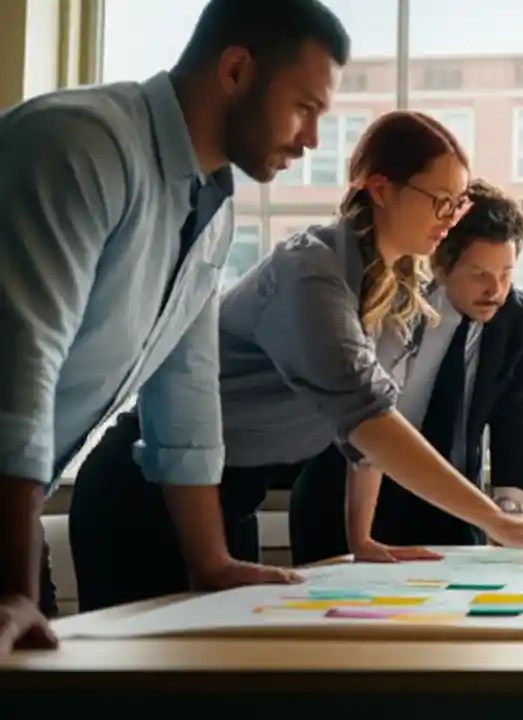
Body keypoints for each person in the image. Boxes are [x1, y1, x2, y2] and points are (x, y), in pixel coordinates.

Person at [70, 111, 523, 612]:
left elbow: (371, 434)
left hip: (232, 496)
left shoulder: (396, 285)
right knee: (146, 665)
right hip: (145, 492)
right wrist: (497, 520)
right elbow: (367, 419)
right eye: (441, 201)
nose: (451, 218)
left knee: (221, 662)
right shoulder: (311, 270)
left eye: (458, 202)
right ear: (381, 189)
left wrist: (362, 537)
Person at [0, 0, 350, 654]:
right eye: (304, 108)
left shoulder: (211, 206)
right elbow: (18, 368)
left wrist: (211, 563)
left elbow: (185, 387)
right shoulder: (80, 144)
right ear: (236, 70)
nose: (311, 141)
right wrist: (11, 589)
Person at [288, 179, 523, 565]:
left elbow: (515, 414)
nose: (496, 290)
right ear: (441, 263)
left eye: (506, 273)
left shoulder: (520, 315)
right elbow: (365, 418)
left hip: (451, 505)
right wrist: (360, 537)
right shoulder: (392, 304)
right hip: (345, 497)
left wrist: (509, 509)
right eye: (479, 274)